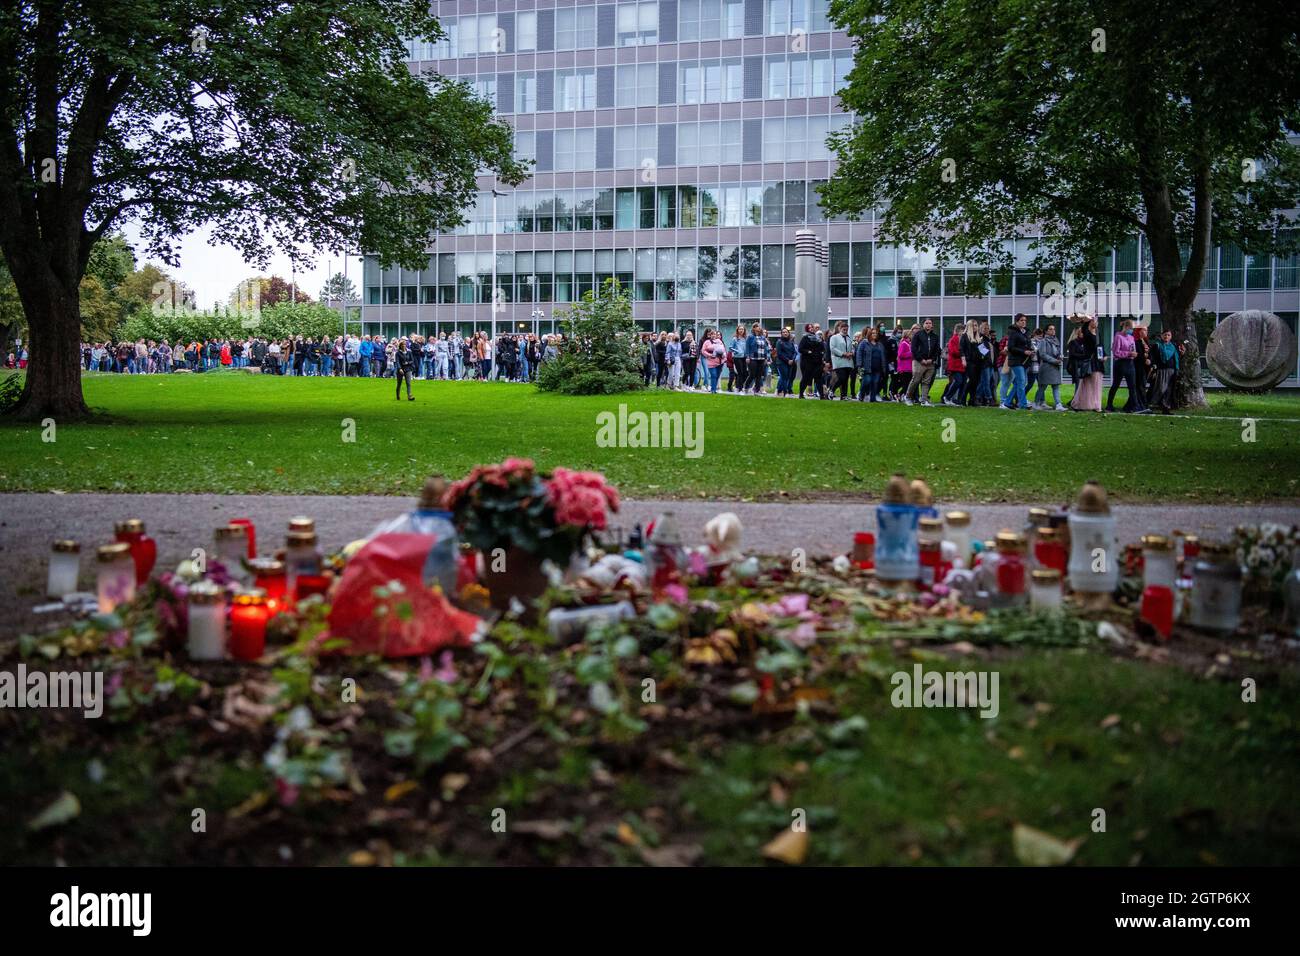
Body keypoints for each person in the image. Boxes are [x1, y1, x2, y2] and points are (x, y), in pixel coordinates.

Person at [1107, 318, 1148, 413]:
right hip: (1121, 363)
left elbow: (1132, 349)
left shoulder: (1131, 337)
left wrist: (1135, 354)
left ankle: (1135, 406)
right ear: (1126, 327)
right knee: (1116, 385)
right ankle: (1109, 405)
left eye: (1133, 329)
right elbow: (1116, 352)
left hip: (1130, 363)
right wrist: (1128, 353)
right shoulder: (1118, 337)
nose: (1132, 331)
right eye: (1131, 328)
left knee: (1132, 386)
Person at [1067, 316, 1103, 412]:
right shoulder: (1086, 333)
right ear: (1090, 322)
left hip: (1098, 361)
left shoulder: (1098, 333)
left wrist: (1105, 355)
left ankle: (1095, 405)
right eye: (1094, 320)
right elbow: (1084, 329)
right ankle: (1078, 403)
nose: (1096, 322)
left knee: (1096, 383)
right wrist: (1084, 320)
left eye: (1096, 320)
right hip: (1090, 362)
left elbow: (1101, 346)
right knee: (1086, 383)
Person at [1000, 312, 1033, 411]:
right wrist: (1024, 351)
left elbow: (1027, 345)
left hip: (1025, 360)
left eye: (1025, 320)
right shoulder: (1013, 332)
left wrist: (1031, 351)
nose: (1024, 322)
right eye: (1021, 320)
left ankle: (1007, 402)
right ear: (1017, 321)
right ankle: (1022, 404)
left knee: (1019, 383)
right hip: (1015, 361)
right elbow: (1010, 347)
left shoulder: (1026, 332)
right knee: (1022, 381)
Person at [905, 318, 940, 405]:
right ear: (923, 325)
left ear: (932, 325)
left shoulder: (935, 336)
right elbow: (914, 349)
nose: (928, 325)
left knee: (926, 382)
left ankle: (924, 400)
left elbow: (937, 350)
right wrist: (921, 359)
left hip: (930, 362)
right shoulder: (918, 335)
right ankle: (908, 397)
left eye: (930, 323)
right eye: (926, 323)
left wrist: (932, 359)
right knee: (916, 380)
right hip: (919, 362)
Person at [1147, 328, 1183, 413]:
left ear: (1171, 336)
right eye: (1165, 335)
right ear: (1161, 336)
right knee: (1160, 388)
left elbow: (1176, 358)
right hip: (1161, 371)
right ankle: (1151, 405)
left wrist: (1182, 354)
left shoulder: (1173, 346)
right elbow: (1152, 358)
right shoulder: (1157, 345)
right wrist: (1154, 368)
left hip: (1172, 371)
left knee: (1168, 390)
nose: (1166, 336)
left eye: (1168, 335)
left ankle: (1166, 408)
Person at [1033, 324, 1065, 410]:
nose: (1053, 331)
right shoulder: (1043, 341)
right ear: (1046, 331)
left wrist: (1060, 357)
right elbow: (1042, 354)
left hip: (1055, 367)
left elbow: (1058, 352)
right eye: (1050, 329)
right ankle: (1036, 403)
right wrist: (1054, 360)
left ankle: (1058, 404)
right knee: (1042, 387)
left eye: (1054, 329)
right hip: (1046, 367)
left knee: (1055, 386)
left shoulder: (1056, 341)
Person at [856, 327, 886, 401]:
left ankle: (873, 399)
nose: (874, 334)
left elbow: (883, 356)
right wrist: (859, 365)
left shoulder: (879, 345)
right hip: (867, 367)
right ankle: (861, 394)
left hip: (877, 367)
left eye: (875, 333)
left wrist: (884, 367)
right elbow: (859, 354)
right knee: (867, 381)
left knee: (875, 383)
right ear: (869, 334)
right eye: (873, 333)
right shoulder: (864, 343)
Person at [797, 323, 824, 399]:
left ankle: (822, 395)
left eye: (812, 327)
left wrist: (822, 353)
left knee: (818, 378)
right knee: (806, 378)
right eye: (809, 328)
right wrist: (808, 351)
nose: (811, 329)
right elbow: (800, 349)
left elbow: (822, 347)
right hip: (807, 362)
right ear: (807, 329)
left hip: (817, 362)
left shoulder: (818, 338)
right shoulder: (805, 338)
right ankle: (801, 394)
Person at [828, 321, 853, 400]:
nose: (845, 331)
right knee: (841, 377)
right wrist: (843, 354)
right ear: (839, 329)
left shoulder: (848, 338)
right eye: (844, 329)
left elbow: (851, 348)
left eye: (846, 330)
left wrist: (851, 353)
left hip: (848, 362)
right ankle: (831, 390)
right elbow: (833, 348)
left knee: (845, 379)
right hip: (838, 361)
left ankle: (844, 395)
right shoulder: (834, 337)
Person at [745, 323, 771, 394]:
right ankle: (746, 388)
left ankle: (756, 391)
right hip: (753, 358)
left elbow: (765, 348)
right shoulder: (750, 337)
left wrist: (766, 358)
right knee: (752, 375)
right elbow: (747, 348)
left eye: (759, 327)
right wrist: (747, 357)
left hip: (761, 359)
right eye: (756, 327)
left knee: (759, 376)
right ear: (753, 328)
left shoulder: (763, 337)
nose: (758, 328)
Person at [702, 329, 726, 393]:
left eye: (714, 334)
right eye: (712, 334)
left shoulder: (719, 341)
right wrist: (710, 355)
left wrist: (724, 354)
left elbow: (723, 349)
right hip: (711, 362)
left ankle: (714, 389)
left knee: (717, 376)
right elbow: (703, 351)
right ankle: (713, 390)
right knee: (713, 375)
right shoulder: (706, 342)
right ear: (710, 335)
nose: (713, 335)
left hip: (720, 362)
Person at [775, 327, 797, 397]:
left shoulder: (791, 342)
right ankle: (785, 392)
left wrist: (792, 360)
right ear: (781, 334)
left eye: (786, 332)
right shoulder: (779, 342)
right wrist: (788, 360)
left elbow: (794, 352)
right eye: (783, 332)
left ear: (788, 333)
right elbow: (779, 354)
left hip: (790, 362)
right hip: (782, 362)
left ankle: (779, 391)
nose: (785, 333)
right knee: (784, 377)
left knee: (788, 377)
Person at [895, 327, 914, 402]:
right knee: (906, 384)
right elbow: (900, 355)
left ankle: (899, 395)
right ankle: (901, 395)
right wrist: (911, 353)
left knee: (908, 384)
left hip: (909, 367)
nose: (912, 335)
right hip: (904, 368)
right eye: (911, 334)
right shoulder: (903, 343)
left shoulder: (909, 344)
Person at [727, 326, 748, 392]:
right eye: (740, 329)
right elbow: (730, 348)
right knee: (740, 373)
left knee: (745, 373)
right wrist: (737, 351)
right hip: (737, 357)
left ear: (744, 330)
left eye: (742, 329)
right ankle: (740, 388)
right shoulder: (735, 339)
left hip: (744, 357)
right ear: (737, 330)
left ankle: (738, 386)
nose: (741, 330)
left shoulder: (745, 339)